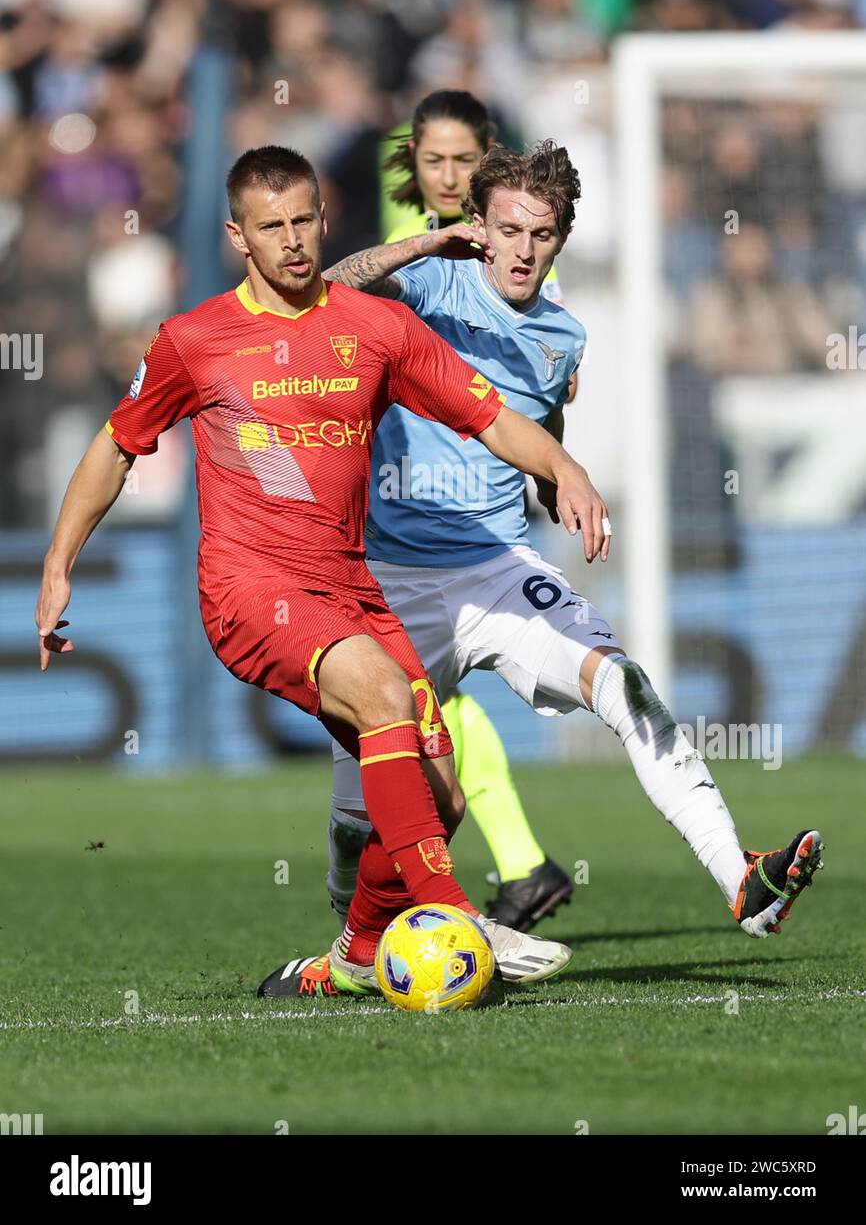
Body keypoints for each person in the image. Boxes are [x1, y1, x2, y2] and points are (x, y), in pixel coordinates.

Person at [35, 144, 620, 994]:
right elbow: (116, 447)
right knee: (384, 697)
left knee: (442, 798)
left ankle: (347, 959)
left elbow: (487, 416)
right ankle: (459, 921)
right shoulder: (195, 341)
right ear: (239, 236)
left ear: (323, 214)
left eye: (305, 219)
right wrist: (59, 565)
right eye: (271, 227)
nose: (294, 241)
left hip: (350, 588)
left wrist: (564, 468)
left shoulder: (373, 327)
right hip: (250, 590)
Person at [259, 139, 823, 1000]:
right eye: (509, 229)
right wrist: (418, 243)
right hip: (387, 580)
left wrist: (557, 476)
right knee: (359, 829)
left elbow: (540, 429)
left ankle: (740, 881)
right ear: (478, 225)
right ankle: (352, 934)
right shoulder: (423, 282)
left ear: (560, 238)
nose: (523, 250)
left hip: (495, 569)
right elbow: (308, 293)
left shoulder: (564, 336)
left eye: (543, 233)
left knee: (623, 684)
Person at [371, 88, 571, 930]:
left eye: (463, 160)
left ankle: (468, 878)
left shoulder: (512, 257)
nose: (449, 176)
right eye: (433, 161)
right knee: (427, 701)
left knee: (418, 700)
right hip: (388, 494)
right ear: (410, 166)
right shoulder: (403, 254)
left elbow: (529, 385)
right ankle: (516, 867)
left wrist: (552, 471)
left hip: (458, 521)